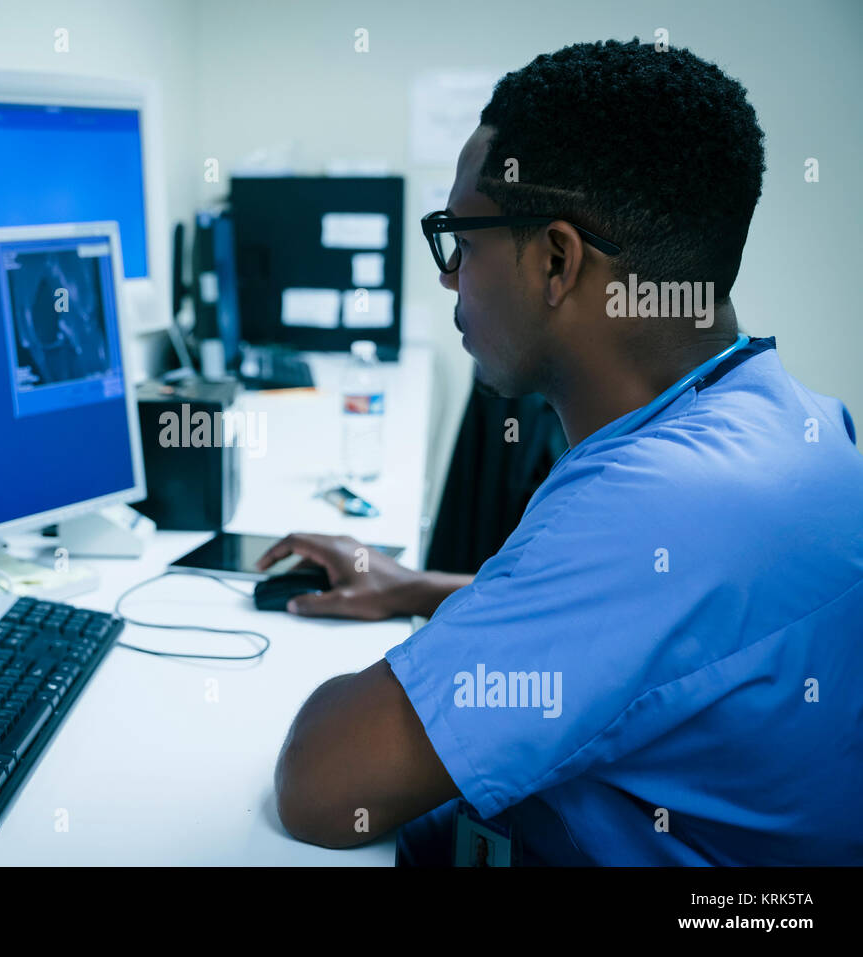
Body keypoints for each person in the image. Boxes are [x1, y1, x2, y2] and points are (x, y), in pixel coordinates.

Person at [266, 39, 863, 865]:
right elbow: (671, 627)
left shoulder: (650, 506)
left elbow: (323, 787)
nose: (449, 279)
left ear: (555, 259)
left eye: (461, 241)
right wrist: (419, 590)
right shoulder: (796, 418)